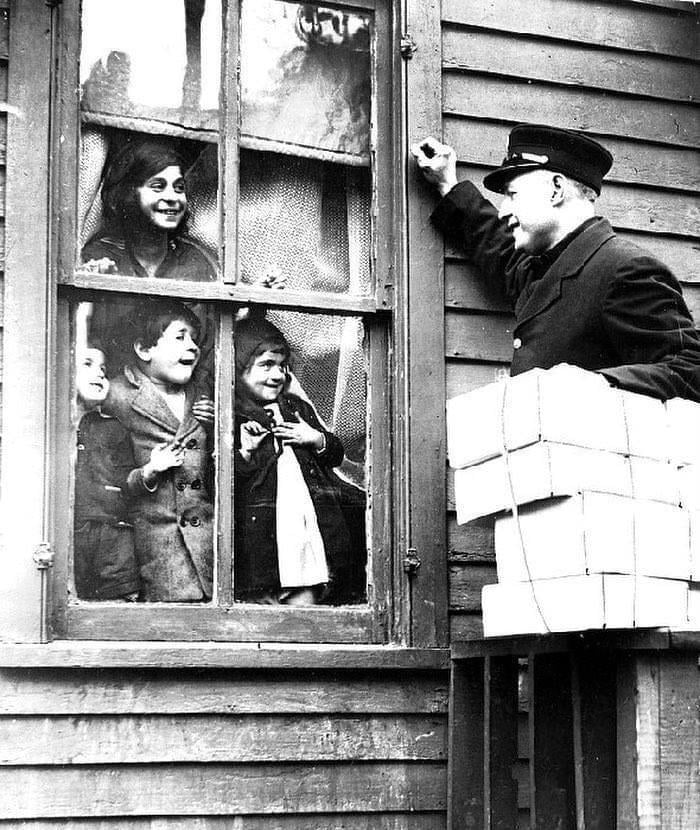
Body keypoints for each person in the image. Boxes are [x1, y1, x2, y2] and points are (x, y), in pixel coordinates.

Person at [412, 124, 700, 402]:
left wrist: (595, 384)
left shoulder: (625, 269)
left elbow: (690, 370)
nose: (504, 211)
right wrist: (448, 185)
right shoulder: (546, 268)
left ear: (556, 190)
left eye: (512, 195)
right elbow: (500, 250)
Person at [233, 315, 365, 605]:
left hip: (308, 514)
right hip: (270, 525)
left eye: (283, 366)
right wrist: (245, 452)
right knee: (278, 580)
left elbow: (335, 453)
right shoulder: (233, 417)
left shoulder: (297, 408)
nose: (278, 375)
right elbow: (226, 478)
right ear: (239, 369)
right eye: (266, 365)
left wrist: (316, 439)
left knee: (315, 572)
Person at [104, 299, 215, 602]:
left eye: (195, 339)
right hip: (158, 550)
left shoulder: (204, 394)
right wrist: (149, 472)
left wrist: (216, 424)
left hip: (207, 550)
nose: (192, 347)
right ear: (144, 349)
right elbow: (106, 478)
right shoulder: (116, 395)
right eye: (180, 337)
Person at [81, 137, 216, 281]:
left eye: (179, 188)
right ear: (130, 193)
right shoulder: (99, 257)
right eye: (158, 187)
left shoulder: (195, 263)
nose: (172, 197)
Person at [73, 343, 140, 601]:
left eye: (103, 368)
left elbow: (127, 480)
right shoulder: (53, 428)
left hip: (111, 532)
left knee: (119, 600)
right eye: (87, 364)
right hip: (74, 532)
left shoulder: (114, 429)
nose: (100, 374)